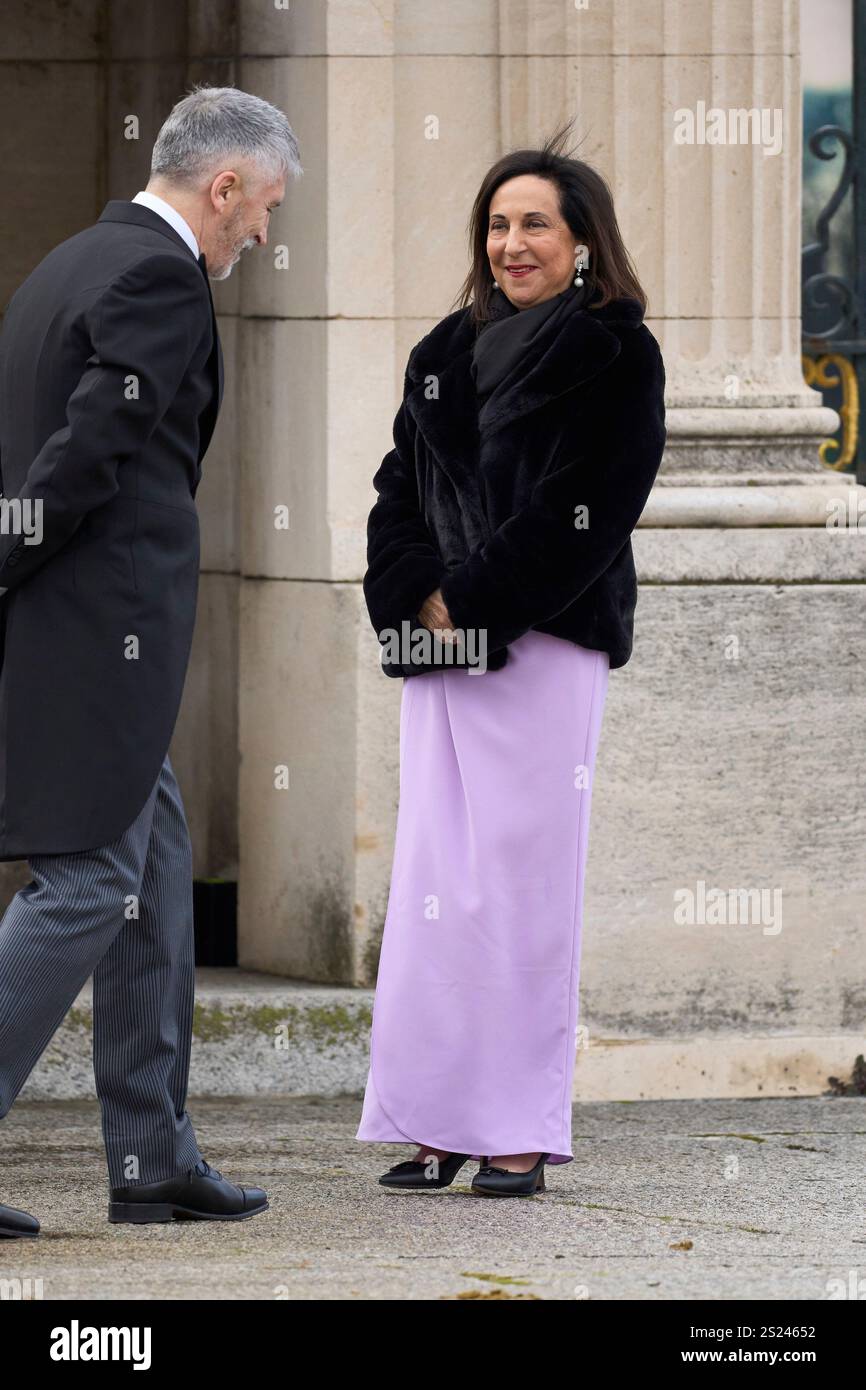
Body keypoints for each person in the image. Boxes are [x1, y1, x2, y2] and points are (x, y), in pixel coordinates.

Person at [0, 84, 301, 1238]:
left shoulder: (65, 262)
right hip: (99, 633)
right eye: (263, 207)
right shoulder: (159, 275)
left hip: (84, 632)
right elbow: (86, 450)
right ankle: (148, 1152)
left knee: (153, 872)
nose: (261, 235)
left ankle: (151, 1155)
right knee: (86, 883)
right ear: (222, 186)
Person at [356, 122, 666, 1197]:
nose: (509, 242)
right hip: (436, 647)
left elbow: (585, 515)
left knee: (519, 894)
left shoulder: (614, 351)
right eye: (496, 223)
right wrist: (408, 595)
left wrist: (470, 604)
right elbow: (397, 488)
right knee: (436, 885)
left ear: (582, 241)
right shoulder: (442, 352)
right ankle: (433, 1119)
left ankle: (516, 1130)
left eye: (533, 222)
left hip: (539, 648)